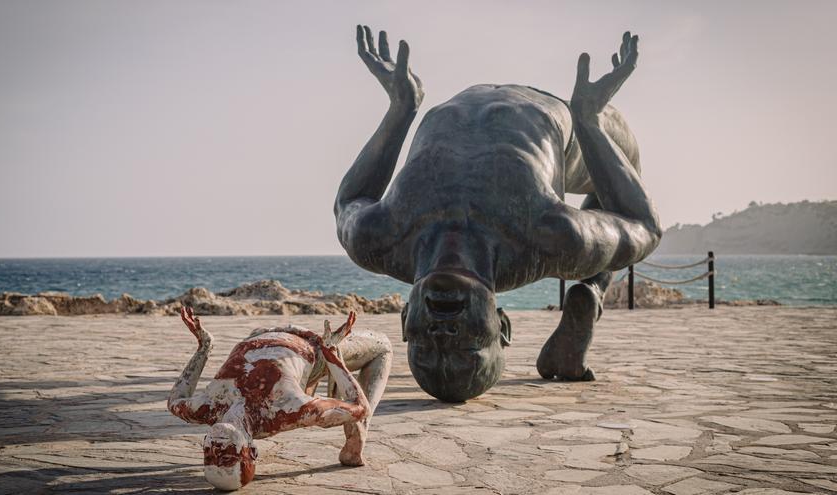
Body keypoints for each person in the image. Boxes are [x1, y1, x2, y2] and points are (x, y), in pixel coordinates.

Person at [335, 26, 661, 402]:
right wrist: (588, 122)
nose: (444, 332)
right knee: (621, 182)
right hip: (551, 124)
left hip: (547, 117)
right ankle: (592, 289)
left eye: (428, 347)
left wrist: (401, 108)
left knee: (616, 208)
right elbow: (349, 201)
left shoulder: (550, 238)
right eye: (466, 346)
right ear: (502, 325)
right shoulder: (379, 239)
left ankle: (591, 289)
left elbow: (643, 224)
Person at [167, 307, 392, 490]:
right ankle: (354, 446)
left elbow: (175, 400)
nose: (217, 450)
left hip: (258, 334)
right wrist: (331, 354)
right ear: (251, 451)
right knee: (382, 347)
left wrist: (204, 346)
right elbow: (359, 407)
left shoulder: (206, 409)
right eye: (225, 459)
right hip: (312, 347)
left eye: (209, 457)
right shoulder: (286, 411)